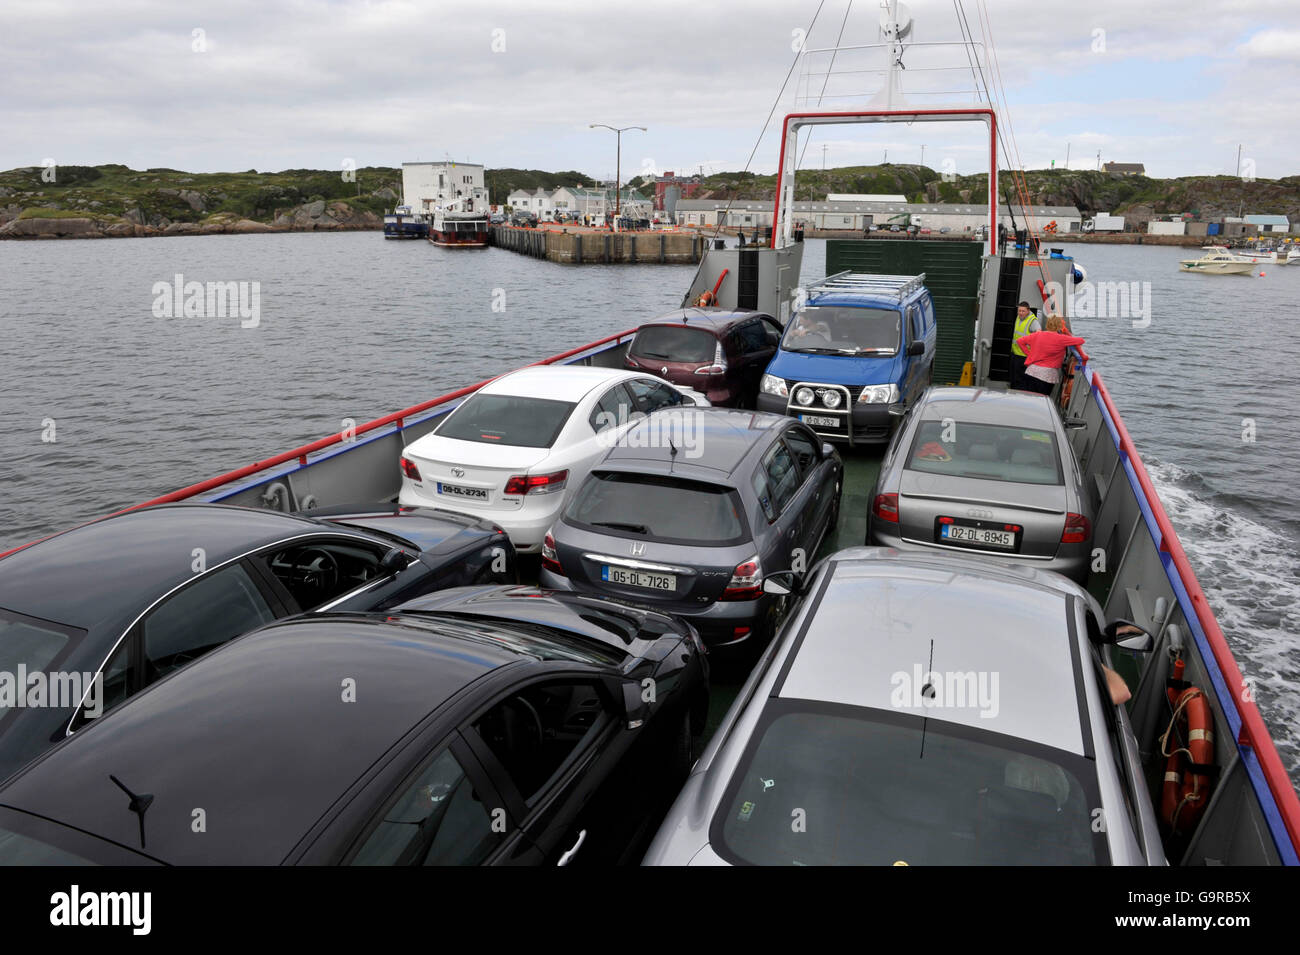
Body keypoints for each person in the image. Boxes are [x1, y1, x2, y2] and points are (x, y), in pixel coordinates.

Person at [1016, 315, 1088, 396]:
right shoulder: (1061, 339)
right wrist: (1067, 333)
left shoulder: (1038, 335)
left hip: (1031, 371)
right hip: (1047, 375)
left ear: (1048, 324)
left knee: (1027, 398)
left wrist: (1029, 355)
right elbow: (1081, 340)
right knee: (1041, 400)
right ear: (1059, 325)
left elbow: (1020, 341)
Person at [1009, 301, 1042, 389]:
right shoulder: (1018, 317)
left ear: (1028, 311)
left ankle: (1019, 396)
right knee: (1013, 377)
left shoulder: (1032, 321)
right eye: (1019, 311)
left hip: (1024, 356)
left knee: (1020, 379)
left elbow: (1039, 334)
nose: (1021, 313)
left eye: (1023, 311)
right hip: (1015, 354)